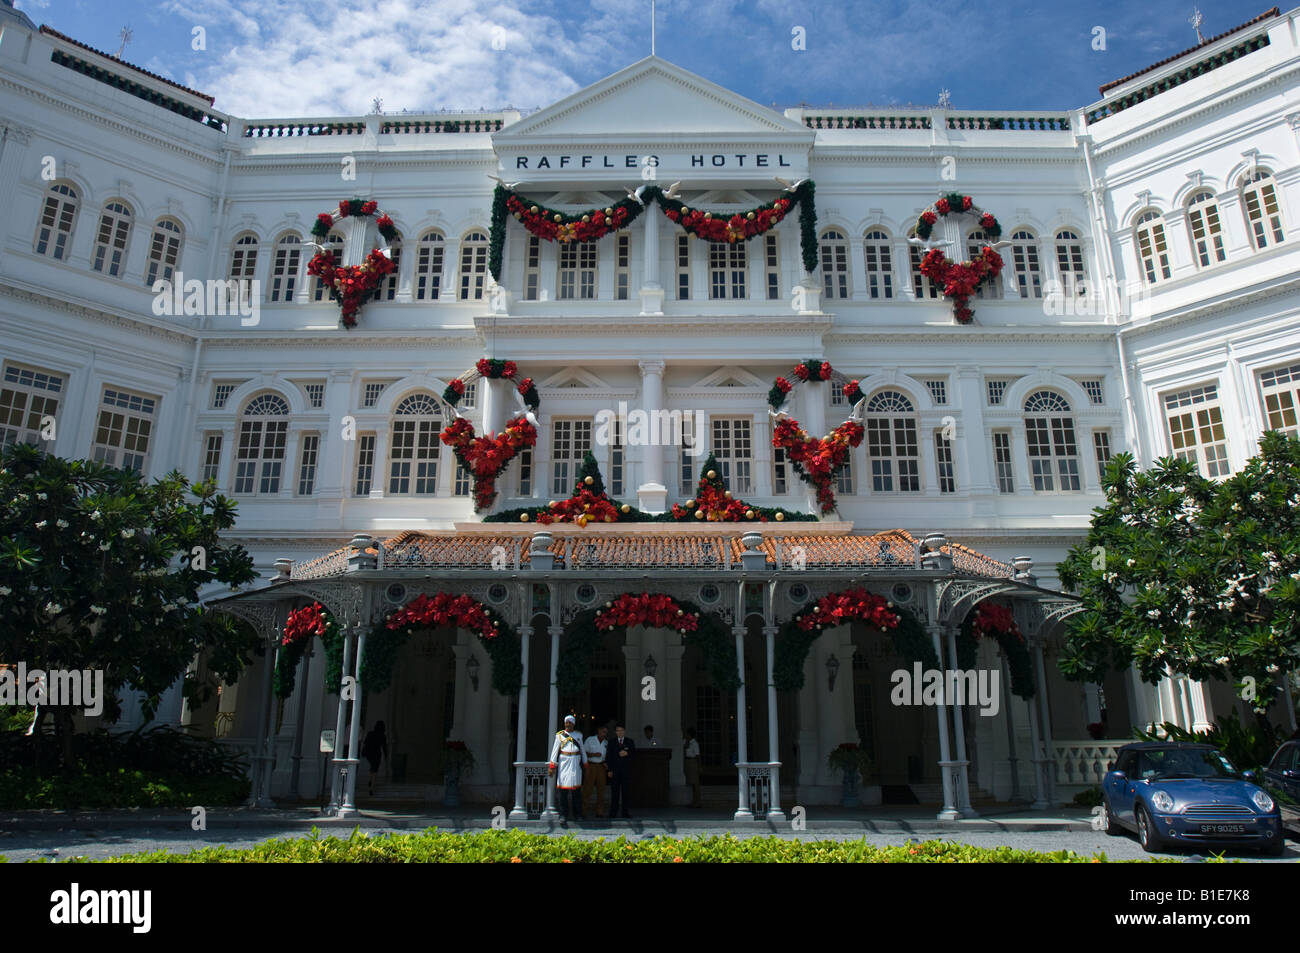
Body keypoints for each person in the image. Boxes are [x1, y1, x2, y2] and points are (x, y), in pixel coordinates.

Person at [548, 714, 587, 820]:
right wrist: (552, 765)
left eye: (570, 722)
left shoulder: (578, 735)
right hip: (564, 764)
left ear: (573, 724)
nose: (568, 724)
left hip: (575, 763)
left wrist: (585, 762)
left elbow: (582, 749)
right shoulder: (559, 735)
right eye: (566, 722)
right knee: (563, 792)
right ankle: (563, 814)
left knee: (576, 792)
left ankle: (577, 814)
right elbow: (555, 751)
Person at [608, 723, 635, 818]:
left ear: (624, 731)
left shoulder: (629, 742)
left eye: (622, 730)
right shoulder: (611, 742)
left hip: (625, 771)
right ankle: (613, 812)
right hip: (615, 771)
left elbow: (634, 754)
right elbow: (609, 757)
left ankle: (625, 812)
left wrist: (627, 753)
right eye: (618, 731)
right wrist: (610, 770)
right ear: (615, 732)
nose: (620, 732)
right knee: (614, 792)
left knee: (625, 792)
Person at [582, 725, 609, 817]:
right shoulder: (590, 740)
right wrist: (594, 754)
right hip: (591, 765)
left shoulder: (606, 743)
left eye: (606, 732)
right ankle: (584, 810)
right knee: (588, 789)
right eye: (603, 732)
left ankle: (599, 811)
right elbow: (584, 752)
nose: (604, 734)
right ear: (599, 730)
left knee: (601, 789)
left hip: (601, 766)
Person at [362, 721, 388, 796]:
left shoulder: (370, 733)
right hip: (377, 753)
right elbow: (384, 747)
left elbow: (365, 743)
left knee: (372, 767)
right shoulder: (382, 735)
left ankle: (370, 780)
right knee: (375, 769)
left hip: (369, 753)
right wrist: (386, 756)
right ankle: (371, 787)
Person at [683, 726, 702, 808]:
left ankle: (697, 801)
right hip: (687, 761)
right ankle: (693, 801)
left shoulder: (695, 744)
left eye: (687, 734)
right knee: (691, 782)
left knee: (695, 783)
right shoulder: (686, 742)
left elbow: (698, 755)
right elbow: (684, 746)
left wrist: (699, 766)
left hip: (693, 761)